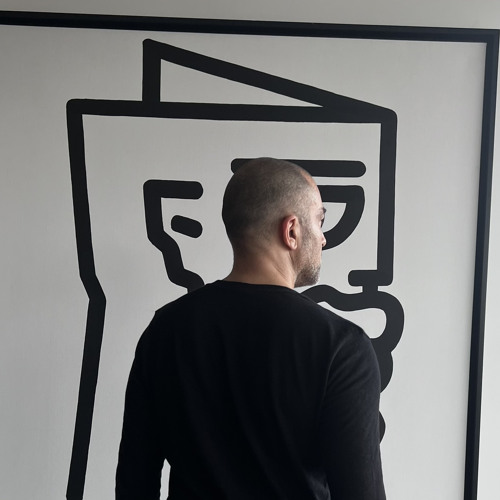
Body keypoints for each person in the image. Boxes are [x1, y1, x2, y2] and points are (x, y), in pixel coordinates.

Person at [116, 157, 385, 499]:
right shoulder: (341, 346)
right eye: (320, 221)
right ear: (291, 231)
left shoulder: (165, 330)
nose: (323, 238)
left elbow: (134, 484)